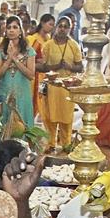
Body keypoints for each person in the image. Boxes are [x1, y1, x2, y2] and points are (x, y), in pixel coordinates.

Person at [37, 16, 83, 152]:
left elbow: (80, 67)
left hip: (67, 86)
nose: (62, 29)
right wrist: (56, 66)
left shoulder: (74, 45)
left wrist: (69, 67)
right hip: (51, 86)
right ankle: (51, 144)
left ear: (70, 29)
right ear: (56, 27)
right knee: (49, 117)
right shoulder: (48, 45)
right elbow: (43, 66)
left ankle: (66, 144)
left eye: (66, 26)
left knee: (66, 118)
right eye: (60, 26)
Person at [0, 15, 37, 128]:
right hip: (4, 93)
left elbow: (31, 75)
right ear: (6, 32)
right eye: (9, 27)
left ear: (20, 31)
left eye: (15, 27)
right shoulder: (1, 52)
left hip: (22, 94)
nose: (11, 30)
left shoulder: (29, 51)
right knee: (4, 127)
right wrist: (9, 59)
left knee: (22, 126)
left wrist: (15, 59)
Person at [28, 14, 56, 117]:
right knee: (33, 100)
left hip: (45, 76)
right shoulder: (34, 39)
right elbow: (29, 57)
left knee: (42, 101)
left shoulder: (49, 39)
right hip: (35, 75)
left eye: (53, 25)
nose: (52, 27)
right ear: (42, 23)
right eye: (50, 24)